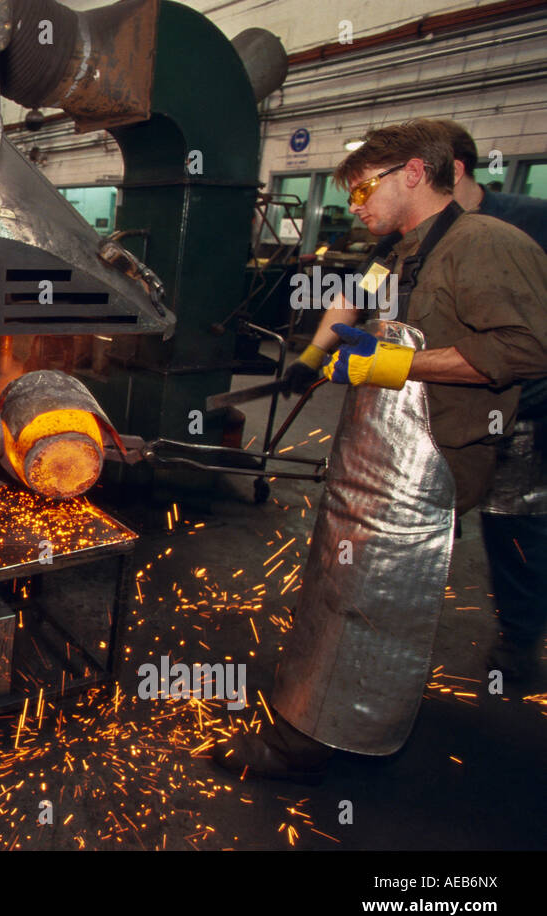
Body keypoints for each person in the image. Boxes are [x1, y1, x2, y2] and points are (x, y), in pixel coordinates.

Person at [216, 120, 547, 781]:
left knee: (375, 599)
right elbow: (348, 301)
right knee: (347, 587)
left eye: (365, 189)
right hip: (392, 453)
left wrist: (392, 365)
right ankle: (318, 715)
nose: (356, 205)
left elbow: (524, 349)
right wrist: (312, 360)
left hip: (448, 452)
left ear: (415, 174)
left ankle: (321, 739)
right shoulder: (397, 249)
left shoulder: (485, 243)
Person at [435, 118, 547, 684]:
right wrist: (315, 356)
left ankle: (520, 641)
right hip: (448, 414)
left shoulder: (527, 224)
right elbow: (361, 292)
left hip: (524, 412)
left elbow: (523, 342)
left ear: (450, 170)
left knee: (515, 527)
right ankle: (400, 627)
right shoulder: (424, 232)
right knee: (427, 527)